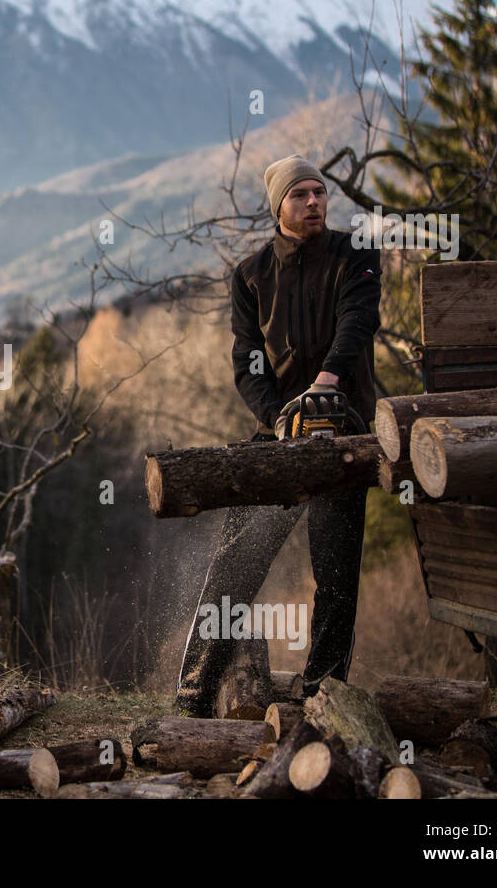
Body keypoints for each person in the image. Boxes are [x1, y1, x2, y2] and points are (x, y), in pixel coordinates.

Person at [175, 154, 383, 716]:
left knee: (336, 579)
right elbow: (247, 362)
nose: (314, 201)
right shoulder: (250, 274)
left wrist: (326, 385)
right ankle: (192, 694)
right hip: (279, 435)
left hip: (344, 435)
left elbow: (357, 325)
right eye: (300, 195)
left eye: (319, 192)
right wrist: (277, 418)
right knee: (234, 567)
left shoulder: (355, 256)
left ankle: (324, 697)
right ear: (279, 206)